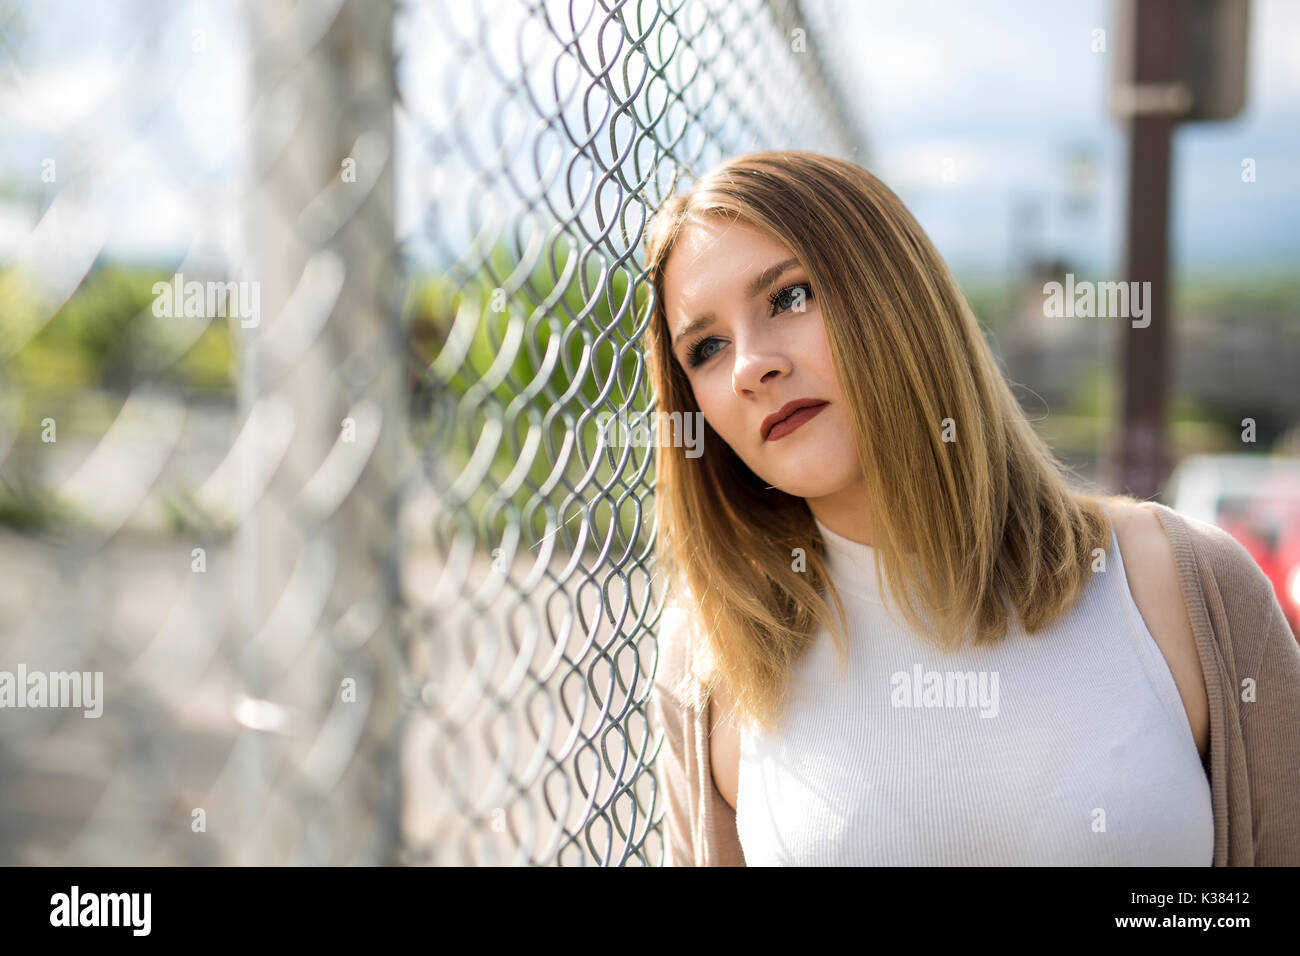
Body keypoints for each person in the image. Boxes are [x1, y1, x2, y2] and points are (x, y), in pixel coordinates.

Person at [641, 150, 1300, 866]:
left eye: (790, 297)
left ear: (901, 299)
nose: (749, 366)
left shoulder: (1184, 583)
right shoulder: (712, 661)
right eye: (706, 347)